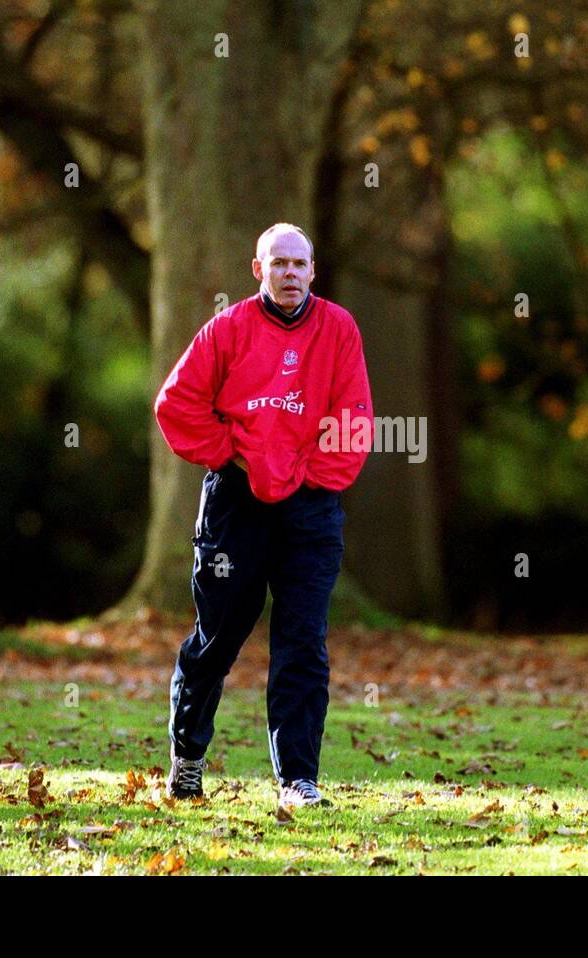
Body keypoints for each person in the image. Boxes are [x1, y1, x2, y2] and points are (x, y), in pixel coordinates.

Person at [153, 222, 373, 808]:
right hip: (235, 505)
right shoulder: (227, 329)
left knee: (302, 641)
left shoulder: (339, 329)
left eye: (299, 264)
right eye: (278, 264)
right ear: (259, 270)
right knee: (218, 636)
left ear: (313, 271)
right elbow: (176, 405)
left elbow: (353, 422)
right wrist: (233, 457)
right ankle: (188, 759)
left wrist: (306, 479)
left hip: (310, 509)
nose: (290, 274)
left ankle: (298, 779)